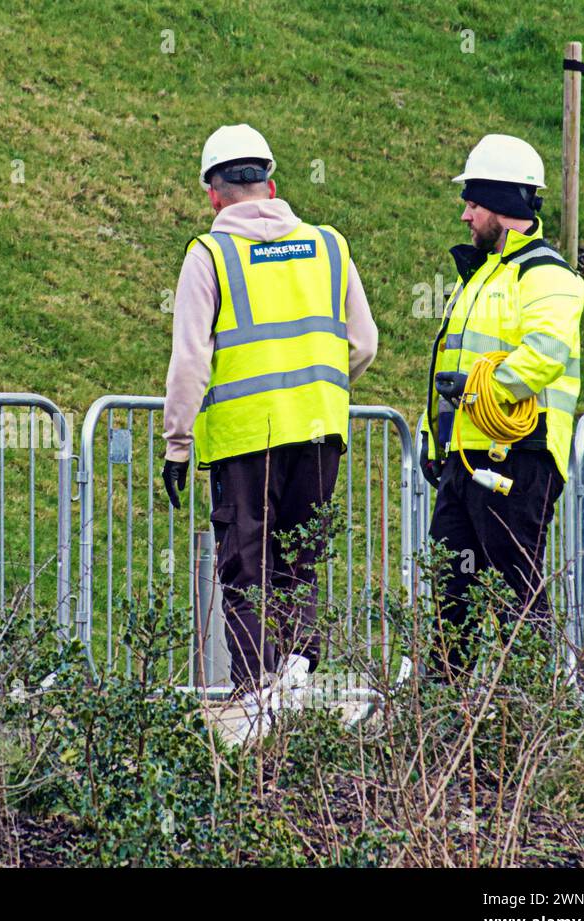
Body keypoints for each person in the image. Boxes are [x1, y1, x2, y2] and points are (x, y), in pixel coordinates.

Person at [161, 124, 378, 698]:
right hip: (317, 435)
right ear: (272, 184)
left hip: (243, 442)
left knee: (246, 567)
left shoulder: (209, 254)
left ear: (213, 193)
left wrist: (177, 445)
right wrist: (322, 389)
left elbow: (190, 361)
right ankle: (299, 676)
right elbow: (365, 343)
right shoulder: (329, 244)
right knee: (300, 560)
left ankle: (255, 694)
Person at [418, 134, 584, 679]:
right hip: (464, 462)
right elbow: (448, 365)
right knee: (450, 594)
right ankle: (445, 715)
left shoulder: (546, 275)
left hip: (519, 459)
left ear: (505, 206)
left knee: (516, 593)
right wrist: (432, 437)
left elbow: (545, 353)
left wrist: (478, 396)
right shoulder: (482, 275)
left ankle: (532, 709)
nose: (465, 215)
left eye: (474, 202)